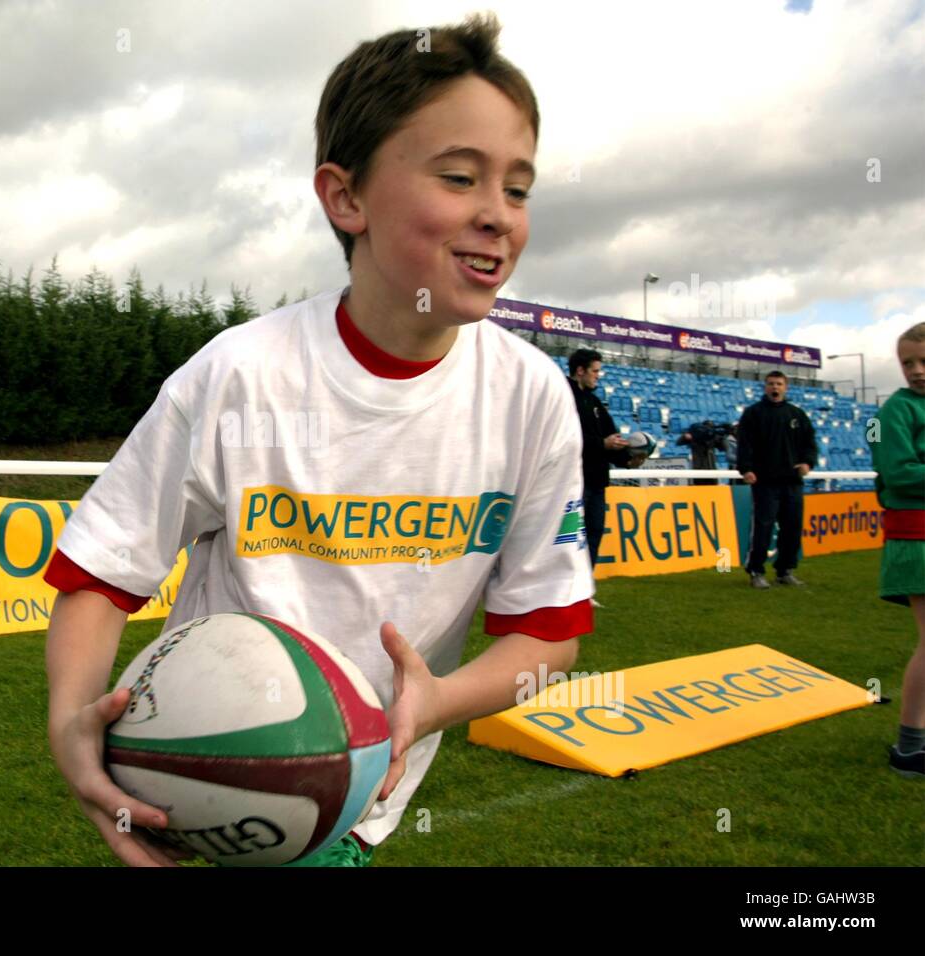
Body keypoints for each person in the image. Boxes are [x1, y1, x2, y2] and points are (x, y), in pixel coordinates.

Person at [45, 15, 593, 868]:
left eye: (517, 190)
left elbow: (549, 633)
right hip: (192, 790)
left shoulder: (532, 398)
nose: (497, 216)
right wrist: (71, 724)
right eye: (459, 177)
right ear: (346, 198)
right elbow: (100, 572)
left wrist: (435, 700)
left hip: (348, 807)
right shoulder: (239, 375)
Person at [870, 322, 925, 779]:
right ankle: (909, 747)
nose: (916, 370)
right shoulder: (895, 412)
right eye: (908, 363)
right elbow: (901, 474)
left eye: (923, 360)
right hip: (916, 540)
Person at [735, 370, 818, 589]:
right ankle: (756, 571)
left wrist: (808, 463)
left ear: (785, 387)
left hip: (792, 482)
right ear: (765, 387)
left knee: (791, 529)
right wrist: (746, 469)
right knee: (763, 528)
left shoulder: (797, 415)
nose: (775, 387)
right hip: (765, 482)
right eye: (771, 383)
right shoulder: (753, 414)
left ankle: (785, 571)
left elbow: (810, 444)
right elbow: (744, 445)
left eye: (779, 384)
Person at [567, 348, 645, 576]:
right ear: (580, 371)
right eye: (595, 371)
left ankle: (584, 589)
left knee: (594, 532)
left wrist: (628, 460)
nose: (598, 375)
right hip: (573, 482)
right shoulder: (562, 396)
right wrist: (602, 444)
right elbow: (567, 438)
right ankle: (566, 590)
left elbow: (613, 439)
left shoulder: (595, 402)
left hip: (597, 482)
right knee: (570, 539)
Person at [676, 419, 729, 486]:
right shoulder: (695, 437)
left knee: (713, 492)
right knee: (699, 492)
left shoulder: (713, 438)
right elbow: (678, 442)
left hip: (711, 469)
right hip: (699, 469)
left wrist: (722, 437)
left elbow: (725, 448)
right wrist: (686, 436)